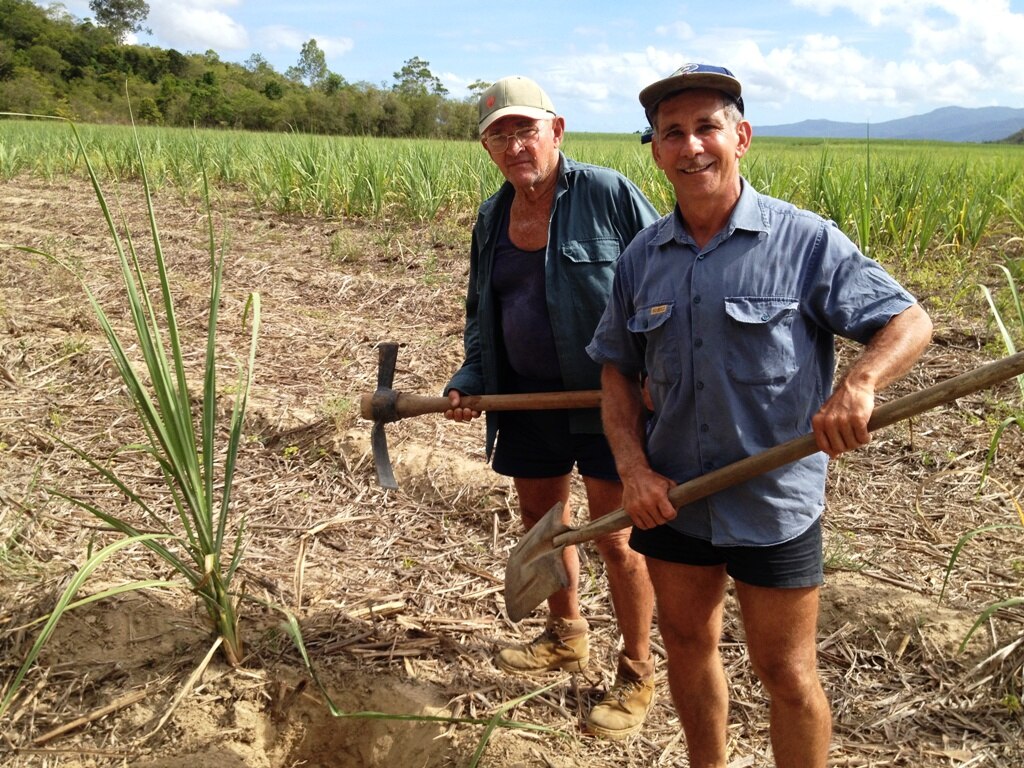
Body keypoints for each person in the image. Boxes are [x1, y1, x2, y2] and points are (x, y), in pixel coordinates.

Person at [586, 64, 933, 766]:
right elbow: (617, 370)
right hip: (674, 499)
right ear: (655, 152)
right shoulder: (642, 257)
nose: (691, 146)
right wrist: (633, 470)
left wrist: (859, 384)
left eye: (707, 127)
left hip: (775, 504)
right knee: (687, 645)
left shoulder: (805, 241)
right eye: (672, 133)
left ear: (740, 137)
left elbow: (909, 320)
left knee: (787, 672)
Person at [443, 75, 661, 740]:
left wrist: (659, 372)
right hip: (525, 399)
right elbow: (481, 309)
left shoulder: (607, 193)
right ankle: (566, 635)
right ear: (486, 147)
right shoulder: (492, 217)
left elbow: (666, 278)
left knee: (618, 538)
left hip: (610, 400)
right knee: (543, 526)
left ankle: (637, 670)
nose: (514, 145)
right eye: (498, 135)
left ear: (555, 130)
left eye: (525, 130)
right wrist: (473, 374)